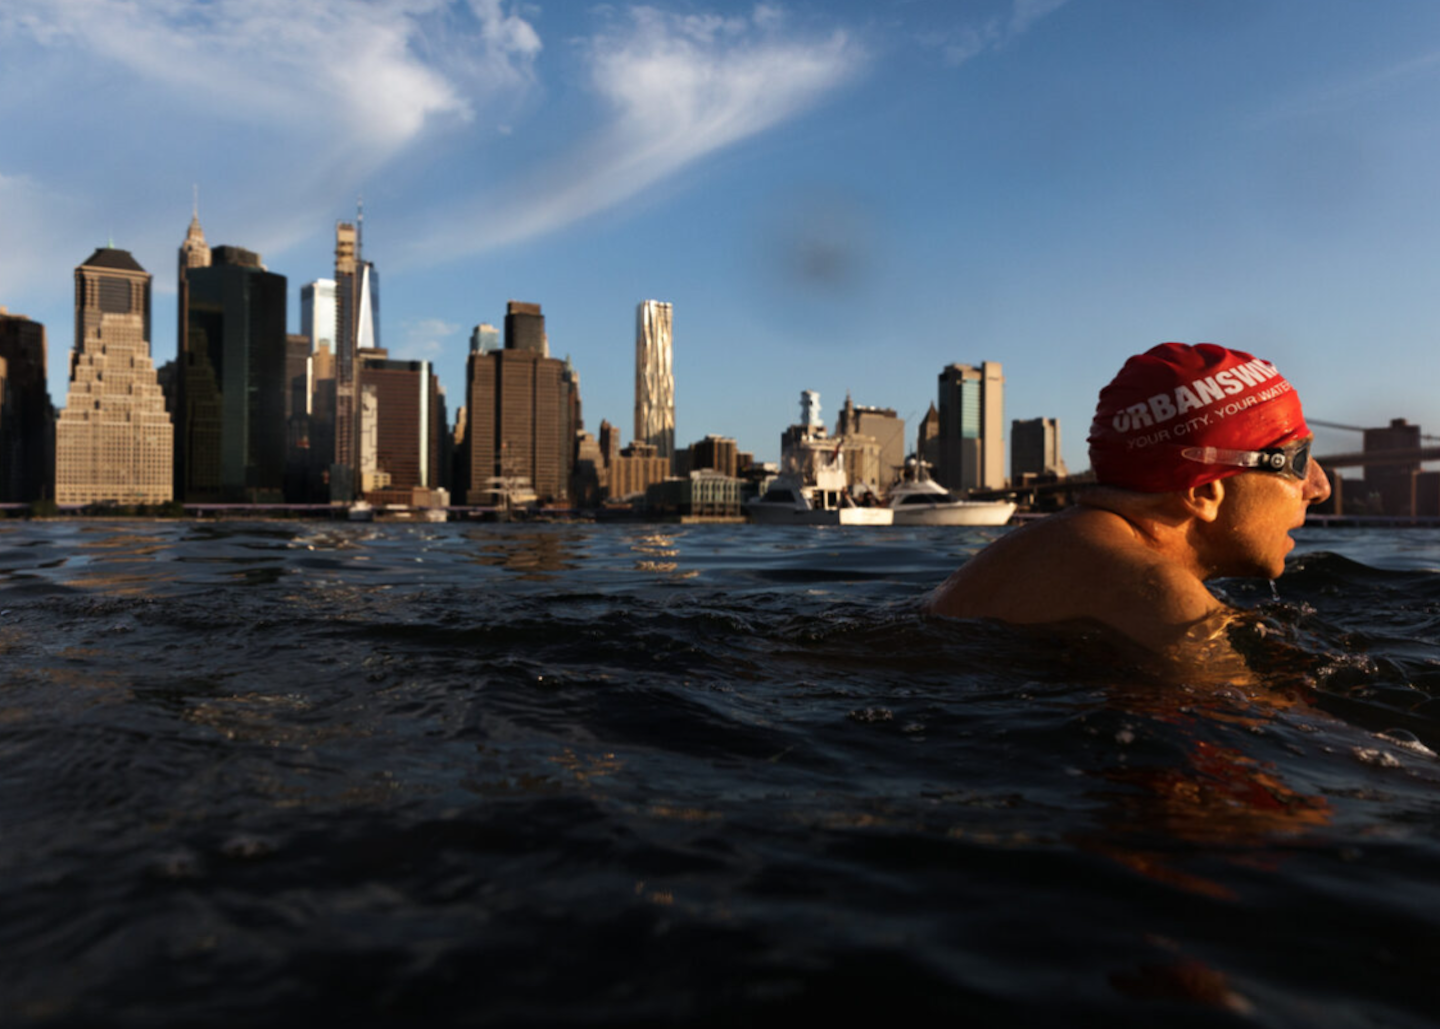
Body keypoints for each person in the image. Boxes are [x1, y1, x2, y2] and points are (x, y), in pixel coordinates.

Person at [923, 343, 1331, 659]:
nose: (1319, 486)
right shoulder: (1164, 598)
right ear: (1202, 492)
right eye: (1296, 460)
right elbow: (1264, 747)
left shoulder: (1035, 550)